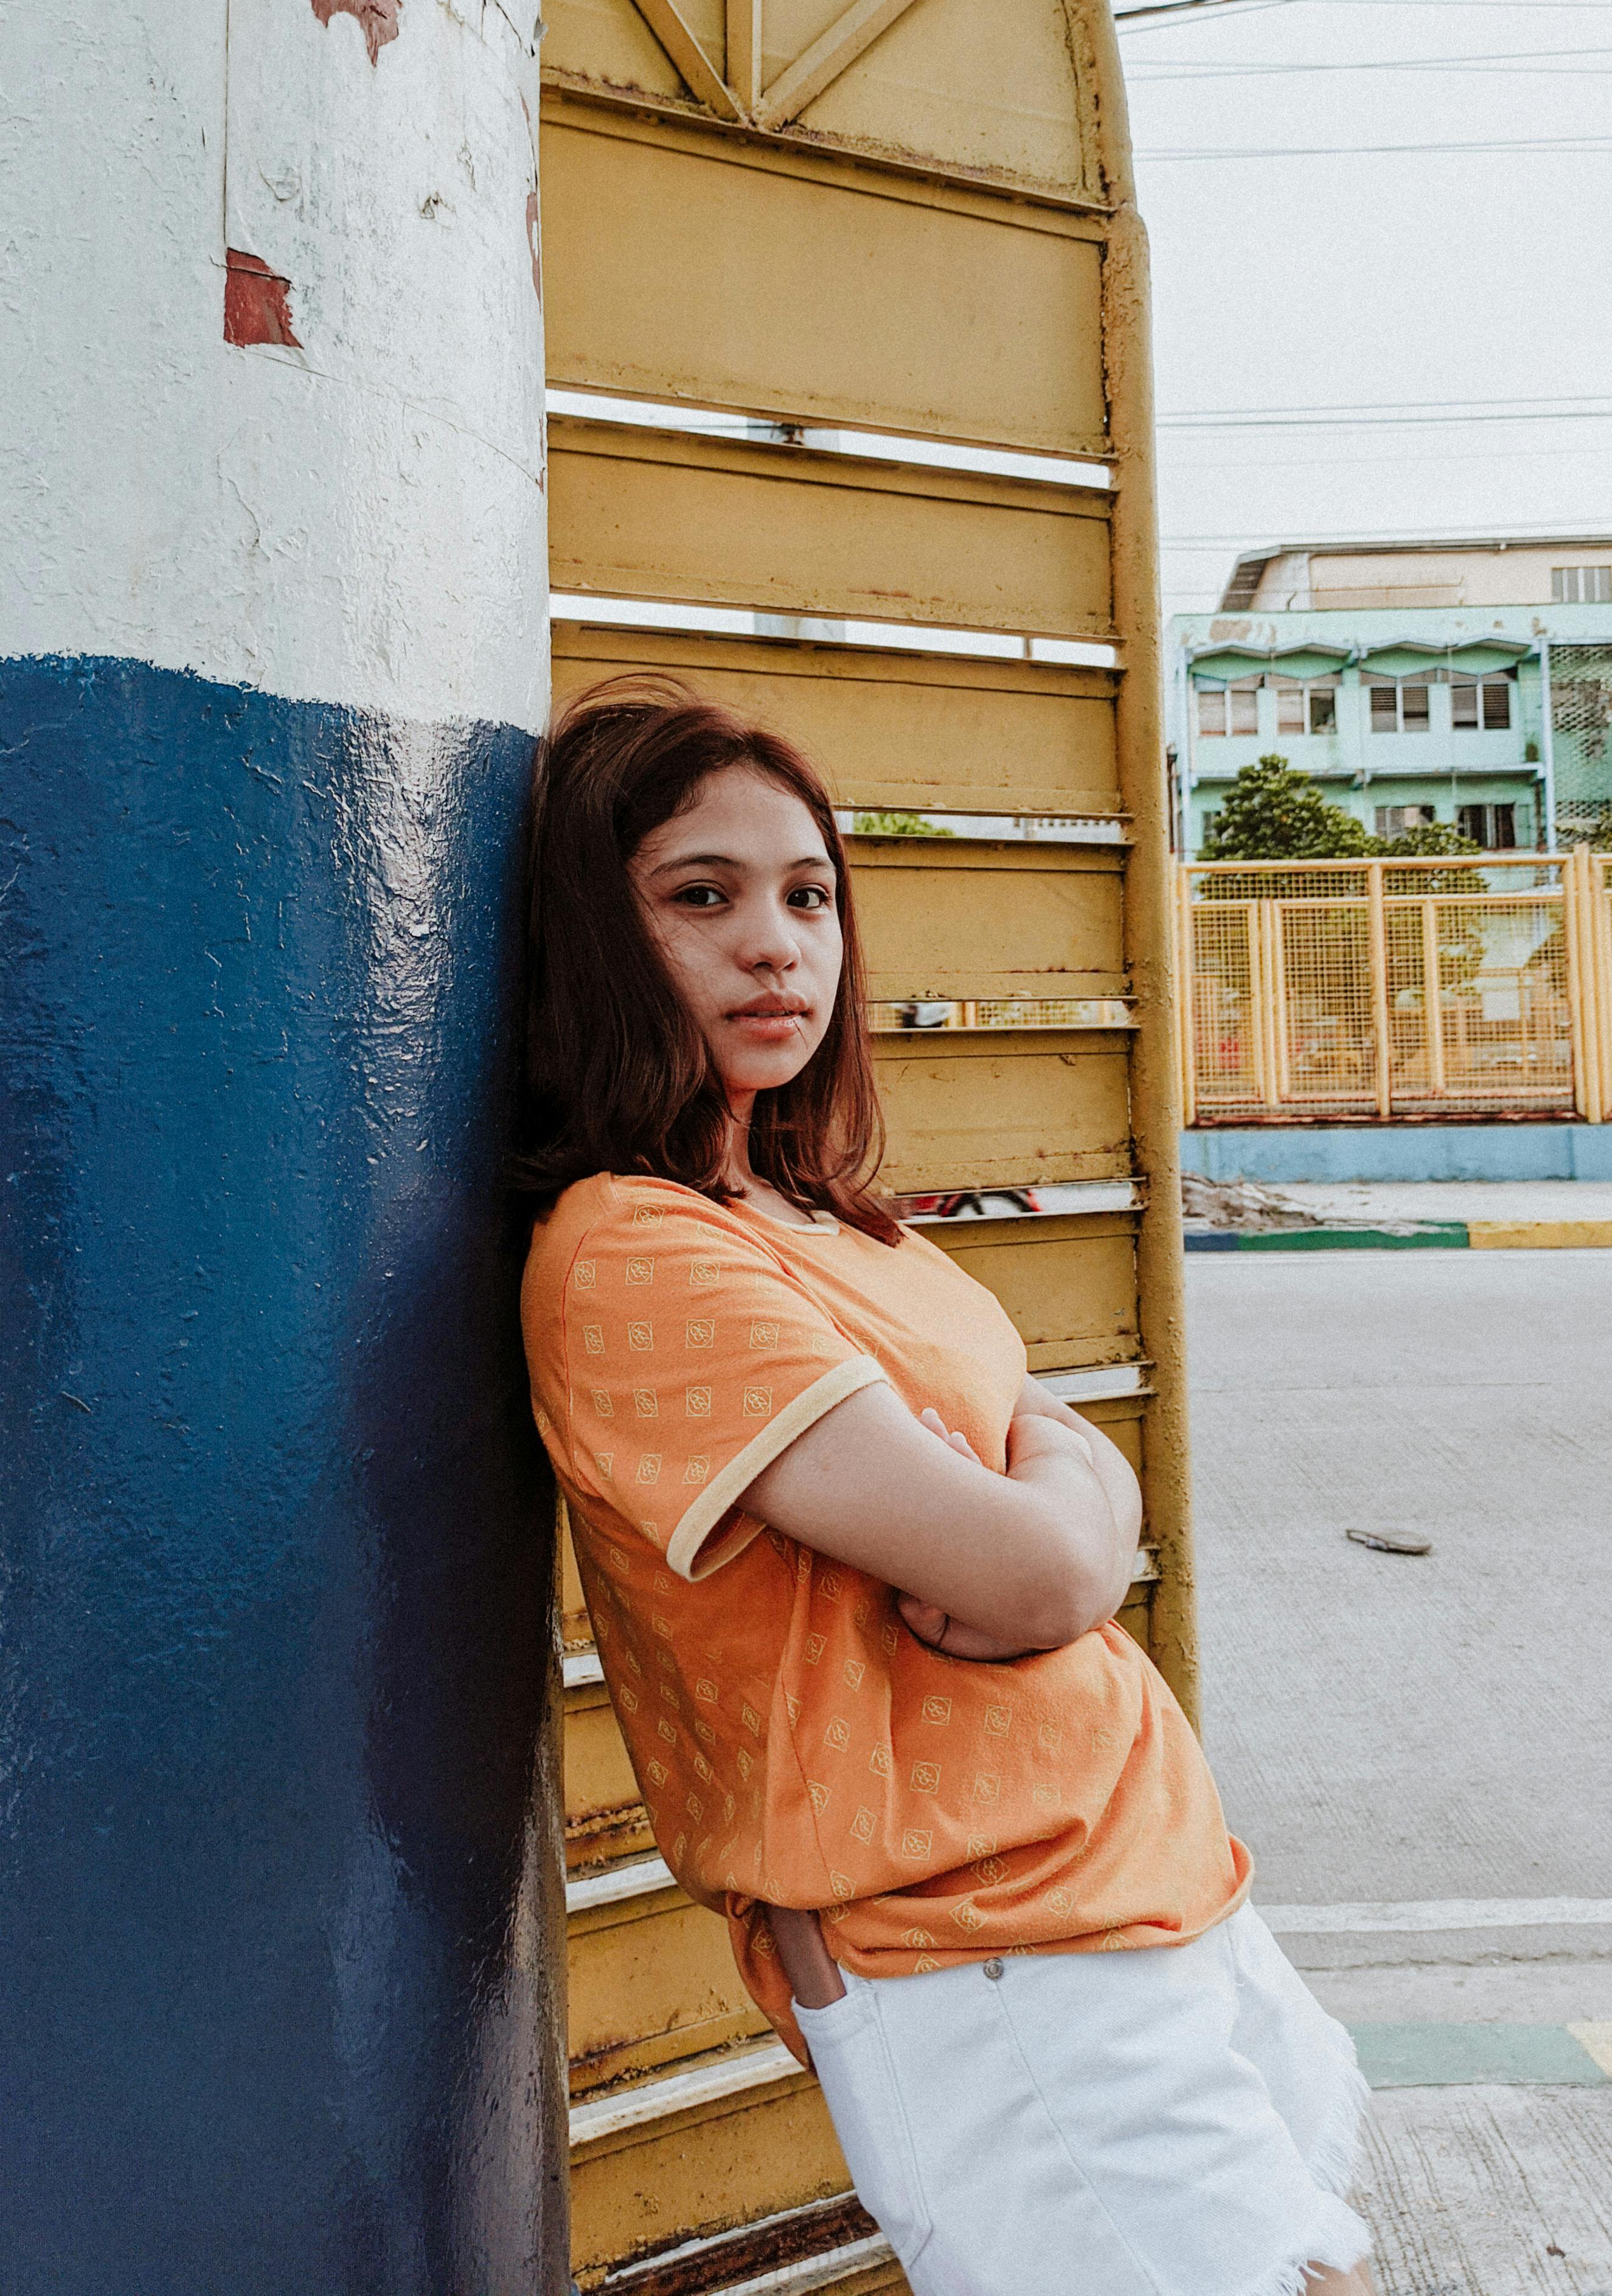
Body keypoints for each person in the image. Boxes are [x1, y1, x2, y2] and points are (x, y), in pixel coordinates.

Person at [517, 675, 1375, 2296]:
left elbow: (1063, 1471)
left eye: (807, 896)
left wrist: (1066, 1516)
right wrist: (1069, 1530)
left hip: (1139, 1876)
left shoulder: (821, 1217)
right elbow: (1040, 1567)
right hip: (980, 1951)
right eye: (700, 897)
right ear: (592, 940)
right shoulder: (632, 1253)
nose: (776, 947)